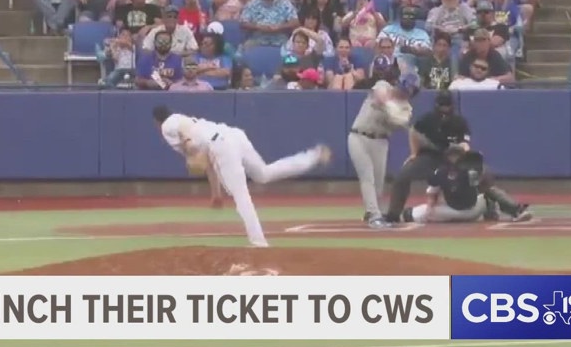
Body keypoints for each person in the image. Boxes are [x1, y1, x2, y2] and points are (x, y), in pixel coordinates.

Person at [153, 105, 331, 247]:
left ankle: (259, 242)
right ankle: (313, 156)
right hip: (234, 136)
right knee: (263, 173)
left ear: (156, 122)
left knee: (241, 196)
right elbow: (208, 163)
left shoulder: (167, 124)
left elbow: (182, 128)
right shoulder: (189, 122)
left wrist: (187, 141)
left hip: (221, 145)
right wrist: (216, 193)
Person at [383, 90, 469, 222]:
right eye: (442, 105)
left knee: (474, 172)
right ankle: (393, 214)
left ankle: (484, 205)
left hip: (452, 158)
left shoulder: (459, 121)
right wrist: (414, 153)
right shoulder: (428, 119)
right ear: (436, 105)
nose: (445, 109)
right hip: (429, 156)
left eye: (447, 105)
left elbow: (465, 143)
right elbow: (413, 132)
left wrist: (464, 152)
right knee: (402, 176)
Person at [348, 70, 417, 229]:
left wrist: (390, 110)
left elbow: (399, 121)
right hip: (358, 137)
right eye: (407, 88)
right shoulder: (383, 85)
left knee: (378, 183)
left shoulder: (406, 108)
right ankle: (374, 215)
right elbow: (380, 96)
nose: (407, 93)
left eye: (411, 90)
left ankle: (371, 210)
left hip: (380, 142)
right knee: (367, 177)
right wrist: (388, 105)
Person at [401, 146, 533, 224]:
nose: (454, 159)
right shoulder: (441, 172)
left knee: (488, 193)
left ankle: (513, 210)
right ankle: (500, 209)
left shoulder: (471, 169)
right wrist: (430, 207)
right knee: (409, 214)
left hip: (473, 209)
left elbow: (486, 186)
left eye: (457, 156)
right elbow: (432, 191)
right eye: (452, 156)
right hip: (450, 211)